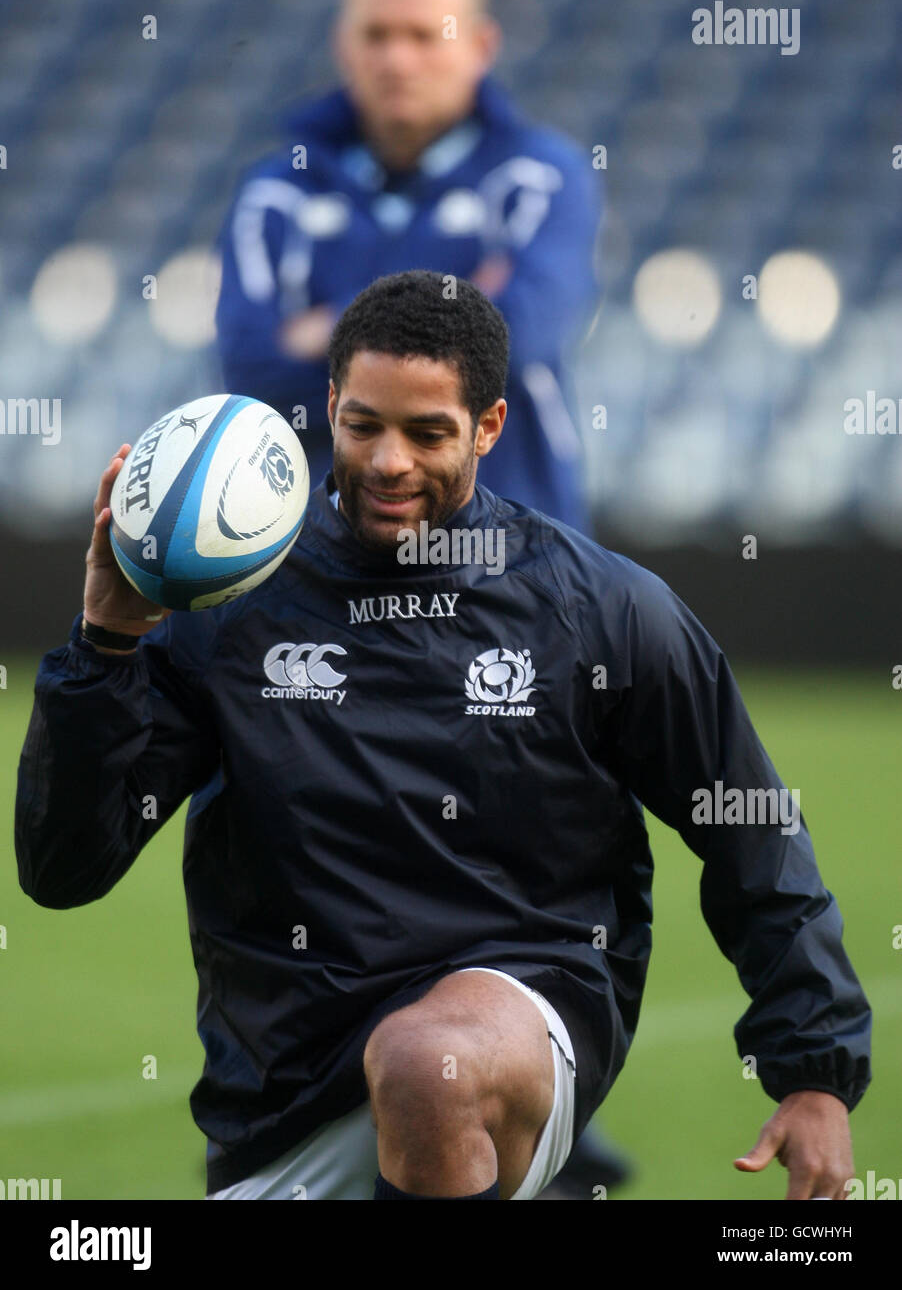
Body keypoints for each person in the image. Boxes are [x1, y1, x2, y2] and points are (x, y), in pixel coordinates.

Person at [16, 271, 870, 1200]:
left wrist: (815, 1070)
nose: (389, 462)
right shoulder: (230, 611)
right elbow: (64, 870)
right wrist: (104, 644)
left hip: (519, 1015)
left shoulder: (601, 610)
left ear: (490, 427)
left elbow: (748, 822)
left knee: (430, 1065)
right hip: (285, 1088)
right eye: (364, 425)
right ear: (331, 406)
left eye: (428, 434)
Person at [215, 0, 601, 535]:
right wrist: (464, 299)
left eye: (424, 35)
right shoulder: (276, 192)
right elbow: (254, 380)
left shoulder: (539, 178)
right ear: (343, 44)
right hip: (321, 565)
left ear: (481, 43)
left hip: (508, 561)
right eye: (377, 35)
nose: (397, 59)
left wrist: (324, 331)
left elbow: (518, 338)